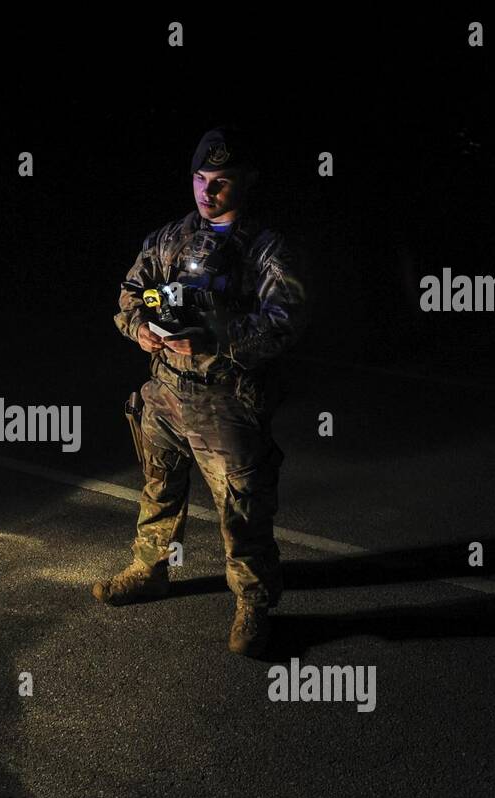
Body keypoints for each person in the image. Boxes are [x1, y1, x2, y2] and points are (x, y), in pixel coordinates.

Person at [92, 126, 308, 657]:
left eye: (221, 181)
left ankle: (254, 606)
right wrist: (138, 326)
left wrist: (215, 336)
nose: (207, 192)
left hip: (225, 398)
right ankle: (150, 569)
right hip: (164, 389)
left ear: (245, 183)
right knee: (159, 485)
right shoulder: (169, 237)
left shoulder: (264, 248)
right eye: (200, 178)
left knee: (241, 507)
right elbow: (130, 291)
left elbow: (285, 319)